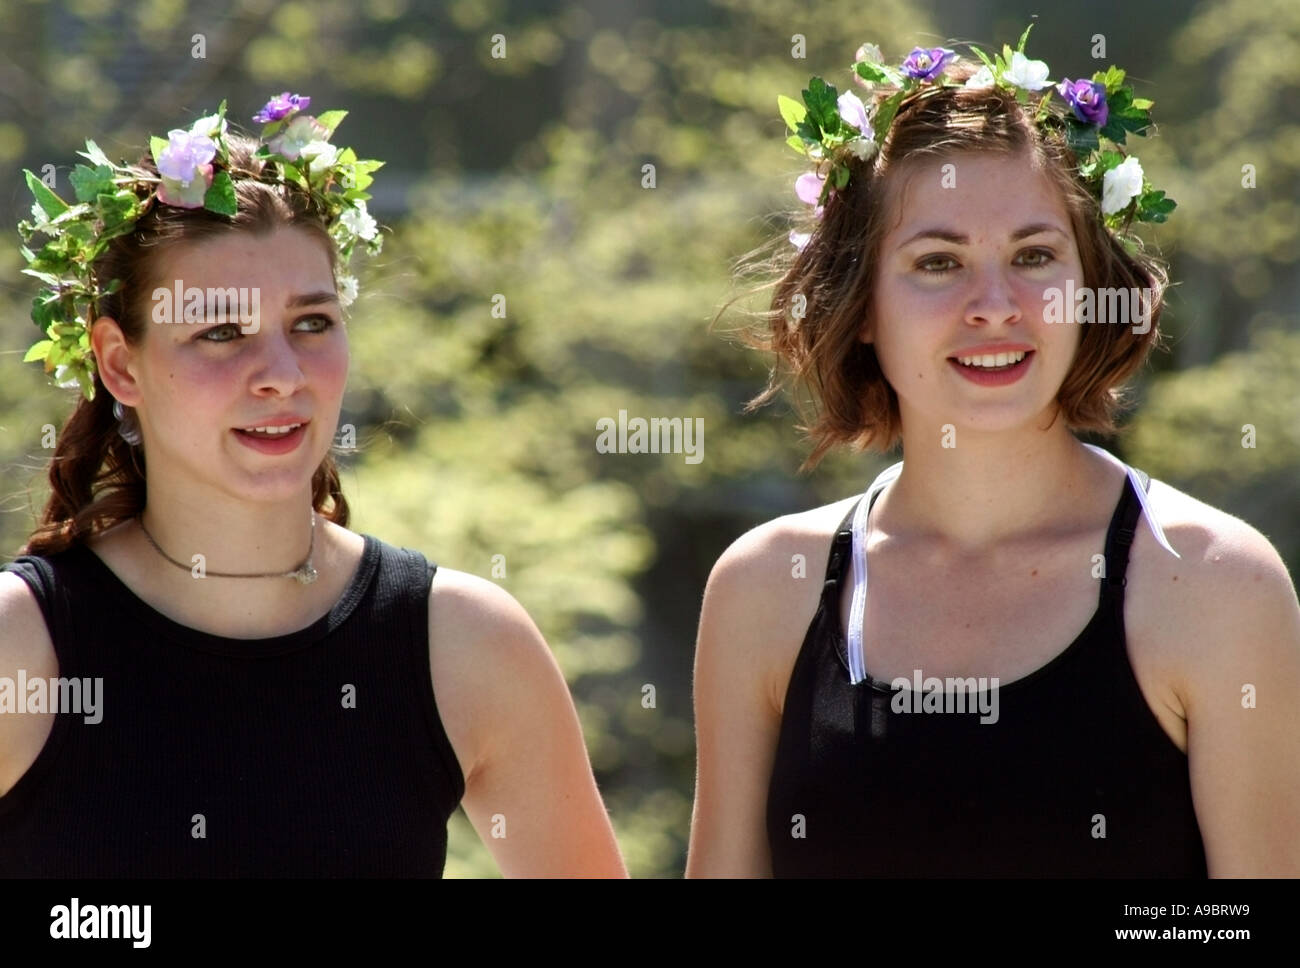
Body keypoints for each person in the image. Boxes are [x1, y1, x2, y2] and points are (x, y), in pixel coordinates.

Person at [686, 33, 1300, 877]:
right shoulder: (763, 589)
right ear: (859, 301)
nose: (996, 306)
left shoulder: (1214, 581)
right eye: (939, 262)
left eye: (1034, 256)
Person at [0, 95, 626, 877]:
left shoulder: (463, 641)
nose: (283, 377)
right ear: (120, 363)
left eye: (311, 323)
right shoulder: (19, 649)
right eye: (221, 332)